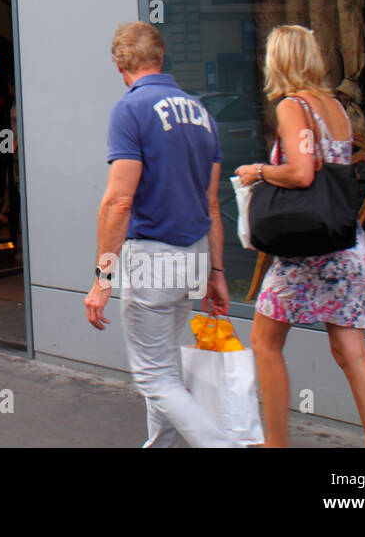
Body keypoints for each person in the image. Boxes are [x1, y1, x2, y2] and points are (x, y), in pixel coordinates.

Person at [235, 24, 365, 447]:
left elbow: (303, 173)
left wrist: (259, 171)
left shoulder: (292, 105)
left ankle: (276, 443)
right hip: (345, 242)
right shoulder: (333, 105)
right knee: (352, 355)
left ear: (278, 60)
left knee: (263, 341)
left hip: (309, 252)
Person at [84, 22, 236, 448]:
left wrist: (102, 279)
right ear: (161, 57)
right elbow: (211, 204)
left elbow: (118, 202)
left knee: (154, 377)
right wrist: (217, 271)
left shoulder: (129, 110)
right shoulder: (201, 113)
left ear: (118, 64)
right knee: (166, 368)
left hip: (152, 256)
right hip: (194, 253)